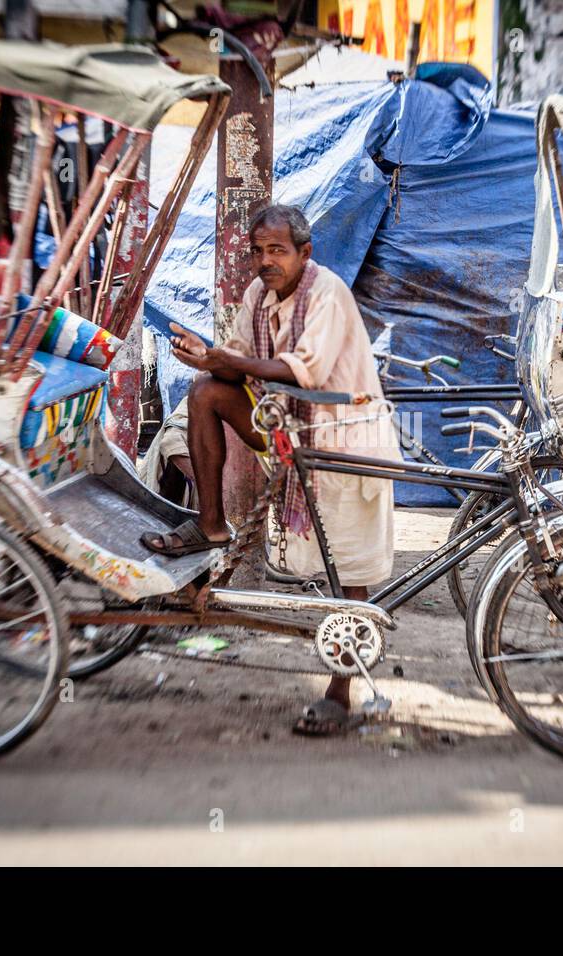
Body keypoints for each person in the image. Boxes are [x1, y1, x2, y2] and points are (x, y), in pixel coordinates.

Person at [142, 204, 398, 735]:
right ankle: (211, 523)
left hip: (343, 437)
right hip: (290, 429)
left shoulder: (328, 293)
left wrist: (222, 359)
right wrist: (207, 358)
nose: (265, 261)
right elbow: (233, 362)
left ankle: (341, 693)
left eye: (277, 250)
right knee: (207, 392)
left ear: (305, 253)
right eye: (257, 251)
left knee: (346, 573)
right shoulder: (258, 297)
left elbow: (301, 373)